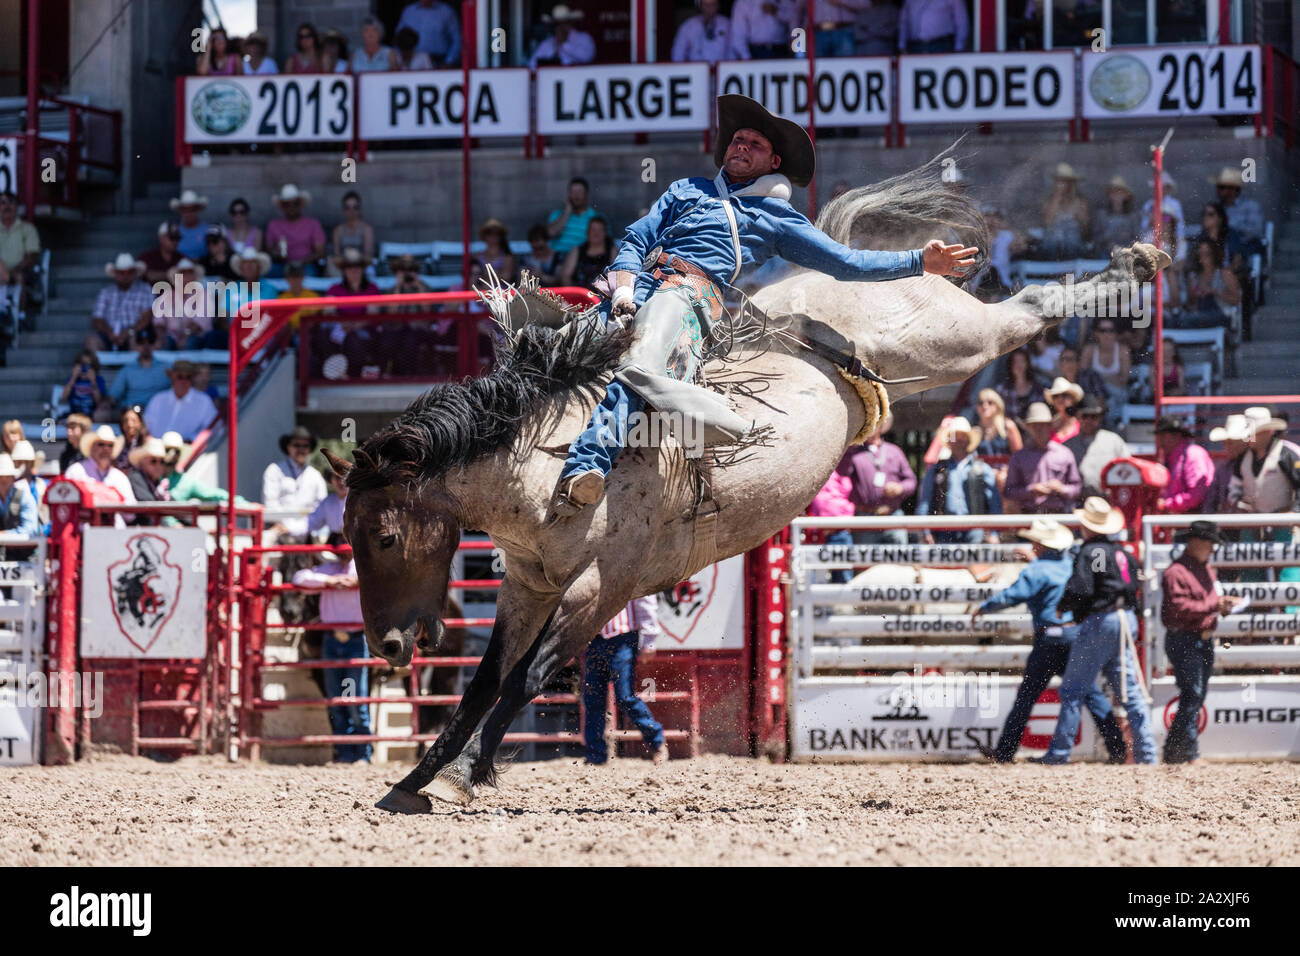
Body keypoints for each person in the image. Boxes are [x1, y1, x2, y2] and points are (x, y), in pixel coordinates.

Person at [555, 94, 976, 513]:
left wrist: (921, 261)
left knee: (641, 360)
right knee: (555, 344)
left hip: (687, 296)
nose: (740, 146)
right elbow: (636, 238)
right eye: (738, 139)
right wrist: (626, 286)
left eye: (754, 144)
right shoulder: (686, 189)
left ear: (774, 162)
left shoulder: (775, 216)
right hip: (636, 286)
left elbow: (847, 263)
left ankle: (587, 467)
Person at [973, 518, 1125, 763]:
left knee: (1027, 696)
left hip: (1048, 640)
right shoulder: (1070, 565)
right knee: (1089, 692)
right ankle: (1117, 749)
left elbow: (1013, 595)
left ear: (1039, 545)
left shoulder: (1036, 570)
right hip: (1075, 635)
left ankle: (1004, 752)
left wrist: (984, 608)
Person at [1044, 497, 1156, 765]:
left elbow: (1083, 587)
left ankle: (1059, 753)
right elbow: (1130, 589)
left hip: (1101, 620)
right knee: (1130, 691)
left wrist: (1064, 606)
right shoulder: (1124, 554)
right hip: (1125, 619)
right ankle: (1147, 754)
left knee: (1072, 690)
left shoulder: (1090, 552)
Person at [1161, 520, 1237, 765]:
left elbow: (1199, 604)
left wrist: (1220, 606)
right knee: (1193, 693)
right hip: (1184, 639)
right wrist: (1214, 605)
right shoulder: (1176, 572)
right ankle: (1187, 752)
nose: (1212, 549)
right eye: (1209, 544)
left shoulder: (1205, 569)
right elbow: (1179, 607)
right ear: (1195, 543)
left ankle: (1174, 751)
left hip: (1199, 638)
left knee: (1195, 694)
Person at [292, 534, 372, 763]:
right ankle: (346, 752)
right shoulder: (329, 571)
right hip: (335, 638)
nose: (344, 554)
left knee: (353, 697)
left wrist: (353, 582)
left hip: (353, 638)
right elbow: (300, 578)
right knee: (339, 698)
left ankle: (360, 752)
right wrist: (329, 582)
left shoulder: (361, 568)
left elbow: (380, 579)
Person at [582, 596, 669, 766]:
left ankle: (657, 742)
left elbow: (644, 598)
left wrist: (649, 639)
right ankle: (595, 755)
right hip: (596, 639)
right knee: (593, 698)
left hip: (622, 638)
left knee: (625, 697)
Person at [916, 417, 1000, 543]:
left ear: (969, 440)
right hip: (943, 530)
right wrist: (926, 531)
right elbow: (925, 501)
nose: (959, 440)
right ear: (949, 441)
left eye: (963, 436)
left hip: (975, 529)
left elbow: (994, 503)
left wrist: (994, 533)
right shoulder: (936, 469)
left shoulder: (983, 469)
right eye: (955, 437)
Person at [844, 412, 915, 545]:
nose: (871, 427)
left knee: (899, 561)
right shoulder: (853, 453)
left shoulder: (894, 451)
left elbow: (911, 481)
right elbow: (841, 473)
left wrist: (900, 488)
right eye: (867, 424)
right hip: (865, 517)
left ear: (881, 426)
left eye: (875, 423)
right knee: (864, 562)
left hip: (892, 515)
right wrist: (850, 447)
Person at [1003, 402, 1081, 515]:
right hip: (1029, 515)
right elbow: (1009, 491)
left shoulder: (1065, 454)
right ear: (1028, 428)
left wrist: (1061, 489)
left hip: (1058, 514)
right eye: (1035, 425)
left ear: (1050, 426)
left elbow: (1076, 488)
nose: (1039, 429)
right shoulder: (1019, 457)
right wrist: (1030, 490)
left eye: (1043, 425)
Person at [263, 426, 328, 539]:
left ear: (309, 449)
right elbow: (270, 504)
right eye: (296, 445)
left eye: (305, 446)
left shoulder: (315, 475)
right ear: (288, 447)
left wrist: (296, 527)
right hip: (279, 530)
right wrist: (288, 526)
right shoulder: (274, 470)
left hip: (308, 532)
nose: (301, 449)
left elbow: (321, 508)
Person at [1064, 395, 1128, 499]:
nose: (1089, 420)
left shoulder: (1114, 441)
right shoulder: (1067, 446)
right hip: (1078, 504)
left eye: (1093, 416)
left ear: (1100, 418)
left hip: (1109, 503)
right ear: (1077, 417)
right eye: (1085, 416)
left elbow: (1127, 469)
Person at [142, 360, 218, 442]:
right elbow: (146, 426)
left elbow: (214, 428)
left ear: (192, 379)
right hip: (155, 447)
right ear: (172, 378)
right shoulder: (158, 399)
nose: (184, 381)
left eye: (188, 377)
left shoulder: (204, 401)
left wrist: (193, 441)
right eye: (180, 377)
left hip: (189, 450)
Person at [91, 254, 153, 351]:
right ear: (115, 274)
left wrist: (129, 332)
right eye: (121, 273)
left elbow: (147, 317)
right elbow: (97, 320)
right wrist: (110, 333)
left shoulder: (145, 290)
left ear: (135, 273)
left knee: (138, 341)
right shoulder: (106, 292)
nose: (125, 276)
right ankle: (93, 366)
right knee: (92, 341)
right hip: (109, 334)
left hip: (135, 334)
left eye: (129, 272)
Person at [1154, 415, 1214, 515]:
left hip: (1194, 520)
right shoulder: (1172, 458)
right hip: (1182, 518)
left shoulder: (1193, 454)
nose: (1159, 441)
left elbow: (1196, 495)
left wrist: (1166, 503)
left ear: (1177, 436)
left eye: (1163, 436)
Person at [65, 424, 136, 508]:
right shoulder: (75, 472)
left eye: (110, 445)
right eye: (101, 444)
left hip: (116, 520)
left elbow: (131, 513)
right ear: (92, 447)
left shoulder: (120, 477)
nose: (106, 448)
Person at [1176, 236, 1239, 330]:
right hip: (1199, 315)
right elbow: (1190, 304)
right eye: (1200, 254)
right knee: (1179, 320)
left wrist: (1215, 292)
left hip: (1221, 314)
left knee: (1186, 321)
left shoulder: (1224, 274)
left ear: (1214, 254)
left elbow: (1236, 300)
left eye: (1207, 254)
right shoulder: (1193, 277)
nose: (1203, 257)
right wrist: (1194, 296)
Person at [265, 185, 326, 277]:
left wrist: (300, 262)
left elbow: (320, 252)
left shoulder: (313, 224)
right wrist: (277, 253)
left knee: (310, 274)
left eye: (295, 203)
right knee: (267, 274)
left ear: (300, 204)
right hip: (282, 265)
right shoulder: (273, 225)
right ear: (282, 206)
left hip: (306, 265)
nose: (291, 207)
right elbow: (269, 250)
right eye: (287, 204)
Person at [0, 189, 41, 321]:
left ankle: (20, 316)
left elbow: (32, 255)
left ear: (17, 207)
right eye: (2, 202)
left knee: (19, 276)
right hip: (1, 271)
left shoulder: (27, 228)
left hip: (21, 270)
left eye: (11, 202)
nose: (6, 206)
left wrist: (17, 268)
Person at [1079, 318, 1130, 420]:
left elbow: (1124, 380)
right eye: (1102, 330)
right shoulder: (1089, 350)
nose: (1107, 334)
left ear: (1115, 333)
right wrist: (1107, 379)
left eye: (1110, 330)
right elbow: (1083, 378)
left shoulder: (1123, 350)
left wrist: (1098, 378)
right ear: (1096, 333)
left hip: (1116, 394)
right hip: (1095, 395)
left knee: (1112, 400)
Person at [1039, 163, 1090, 260]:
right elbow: (1047, 223)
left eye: (1063, 181)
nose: (1059, 184)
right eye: (1057, 181)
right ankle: (1051, 273)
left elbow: (1085, 229)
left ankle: (1069, 274)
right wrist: (1056, 198)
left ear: (1070, 183)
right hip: (1053, 242)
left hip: (1073, 243)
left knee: (1072, 238)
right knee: (1052, 239)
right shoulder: (1049, 201)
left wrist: (1079, 216)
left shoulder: (1080, 202)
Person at [1208, 167, 1264, 249]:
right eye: (1218, 187)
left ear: (1233, 189)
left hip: (1244, 247)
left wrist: (1229, 227)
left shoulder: (1250, 206)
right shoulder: (1216, 207)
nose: (1217, 190)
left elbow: (1255, 231)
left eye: (1222, 187)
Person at [1205, 413, 1249, 514]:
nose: (1225, 446)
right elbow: (1211, 501)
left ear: (1243, 442)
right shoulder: (1223, 469)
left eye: (1230, 442)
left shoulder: (1251, 466)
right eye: (1225, 442)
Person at [671, 0, 739, 64]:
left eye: (713, 4)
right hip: (695, 71)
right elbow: (678, 53)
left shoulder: (727, 24)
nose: (709, 8)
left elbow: (733, 50)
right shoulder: (688, 26)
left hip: (722, 71)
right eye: (706, 5)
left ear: (718, 5)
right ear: (700, 6)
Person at [396, 0, 461, 66]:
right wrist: (398, 60)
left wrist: (449, 61)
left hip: (439, 61)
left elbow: (457, 39)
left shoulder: (446, 11)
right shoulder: (409, 11)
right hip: (413, 62)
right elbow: (399, 37)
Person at [559, 216, 616, 290]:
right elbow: (565, 276)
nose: (596, 233)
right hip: (580, 296)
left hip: (604, 296)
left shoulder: (612, 251)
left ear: (605, 233)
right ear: (587, 232)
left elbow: (616, 276)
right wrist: (573, 295)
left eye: (600, 230)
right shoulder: (577, 250)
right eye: (593, 230)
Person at [530, 5, 596, 68]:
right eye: (557, 24)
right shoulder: (547, 43)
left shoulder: (583, 38)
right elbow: (532, 64)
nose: (560, 27)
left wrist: (564, 44)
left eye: (564, 23)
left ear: (571, 23)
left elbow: (587, 58)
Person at [124, 435, 171, 524]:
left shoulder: (158, 485)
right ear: (142, 462)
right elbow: (149, 505)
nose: (158, 465)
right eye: (153, 461)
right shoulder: (135, 478)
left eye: (162, 461)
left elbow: (175, 504)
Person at [546, 177, 597, 256]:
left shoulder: (595, 217)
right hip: (557, 258)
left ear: (586, 194)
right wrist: (567, 212)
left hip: (582, 258)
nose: (576, 195)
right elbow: (550, 233)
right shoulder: (557, 215)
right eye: (573, 192)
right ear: (568, 194)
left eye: (579, 191)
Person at [997, 347, 1047, 424]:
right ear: (1010, 365)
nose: (1019, 365)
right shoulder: (1003, 389)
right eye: (1015, 362)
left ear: (1028, 364)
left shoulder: (1038, 389)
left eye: (1022, 361)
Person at [731, 0, 796, 59]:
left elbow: (796, 19)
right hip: (755, 52)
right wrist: (746, 57)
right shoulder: (743, 3)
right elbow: (738, 34)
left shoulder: (785, 2)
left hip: (781, 50)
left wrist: (777, 12)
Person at [1092, 176, 1140, 255]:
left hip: (1127, 254)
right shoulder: (1101, 215)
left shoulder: (1133, 216)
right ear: (1109, 195)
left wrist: (1124, 249)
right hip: (1105, 253)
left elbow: (1137, 238)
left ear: (1126, 195)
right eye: (1113, 192)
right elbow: (1096, 237)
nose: (1116, 195)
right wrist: (1109, 245)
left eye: (1120, 192)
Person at [898, 0, 969, 52]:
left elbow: (961, 21)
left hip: (941, 45)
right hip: (915, 46)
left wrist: (959, 48)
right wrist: (902, 45)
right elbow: (904, 22)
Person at [331, 191, 376, 268]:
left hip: (362, 267)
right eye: (347, 207)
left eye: (355, 207)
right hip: (342, 268)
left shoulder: (367, 229)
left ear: (360, 209)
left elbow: (368, 256)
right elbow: (336, 255)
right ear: (343, 209)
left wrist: (355, 257)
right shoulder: (338, 230)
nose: (351, 211)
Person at [61, 350, 108, 421]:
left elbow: (98, 402)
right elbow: (64, 397)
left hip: (91, 414)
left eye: (88, 365)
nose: (85, 368)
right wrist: (73, 377)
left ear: (94, 367)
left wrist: (93, 381)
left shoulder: (98, 380)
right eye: (82, 364)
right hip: (74, 414)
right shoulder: (72, 379)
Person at [470, 218, 518, 286]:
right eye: (489, 232)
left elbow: (507, 277)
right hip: (479, 293)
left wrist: (482, 275)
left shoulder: (508, 257)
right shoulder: (476, 256)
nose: (493, 236)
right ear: (484, 236)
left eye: (496, 233)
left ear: (501, 236)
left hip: (501, 293)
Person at [0, 455, 39, 536]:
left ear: (13, 478)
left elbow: (31, 530)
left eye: (7, 477)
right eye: (0, 477)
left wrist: (4, 534)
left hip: (22, 548)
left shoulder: (25, 498)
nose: (4, 480)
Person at [169, 190, 211, 261]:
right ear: (181, 212)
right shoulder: (175, 231)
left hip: (202, 268)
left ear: (197, 210)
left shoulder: (207, 230)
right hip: (179, 269)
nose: (188, 214)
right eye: (185, 210)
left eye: (192, 210)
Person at [309, 462, 349, 536]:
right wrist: (290, 527)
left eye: (344, 477)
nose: (341, 482)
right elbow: (312, 522)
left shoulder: (360, 500)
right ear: (331, 480)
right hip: (334, 543)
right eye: (337, 478)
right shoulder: (327, 502)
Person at [1044, 377, 1082, 444]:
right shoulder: (1049, 424)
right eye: (1056, 395)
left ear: (1072, 398)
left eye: (1064, 395)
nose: (1060, 398)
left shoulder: (1082, 420)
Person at [114, 405, 149, 471]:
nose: (129, 424)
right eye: (126, 421)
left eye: (133, 421)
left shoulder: (145, 443)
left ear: (140, 423)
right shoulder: (118, 442)